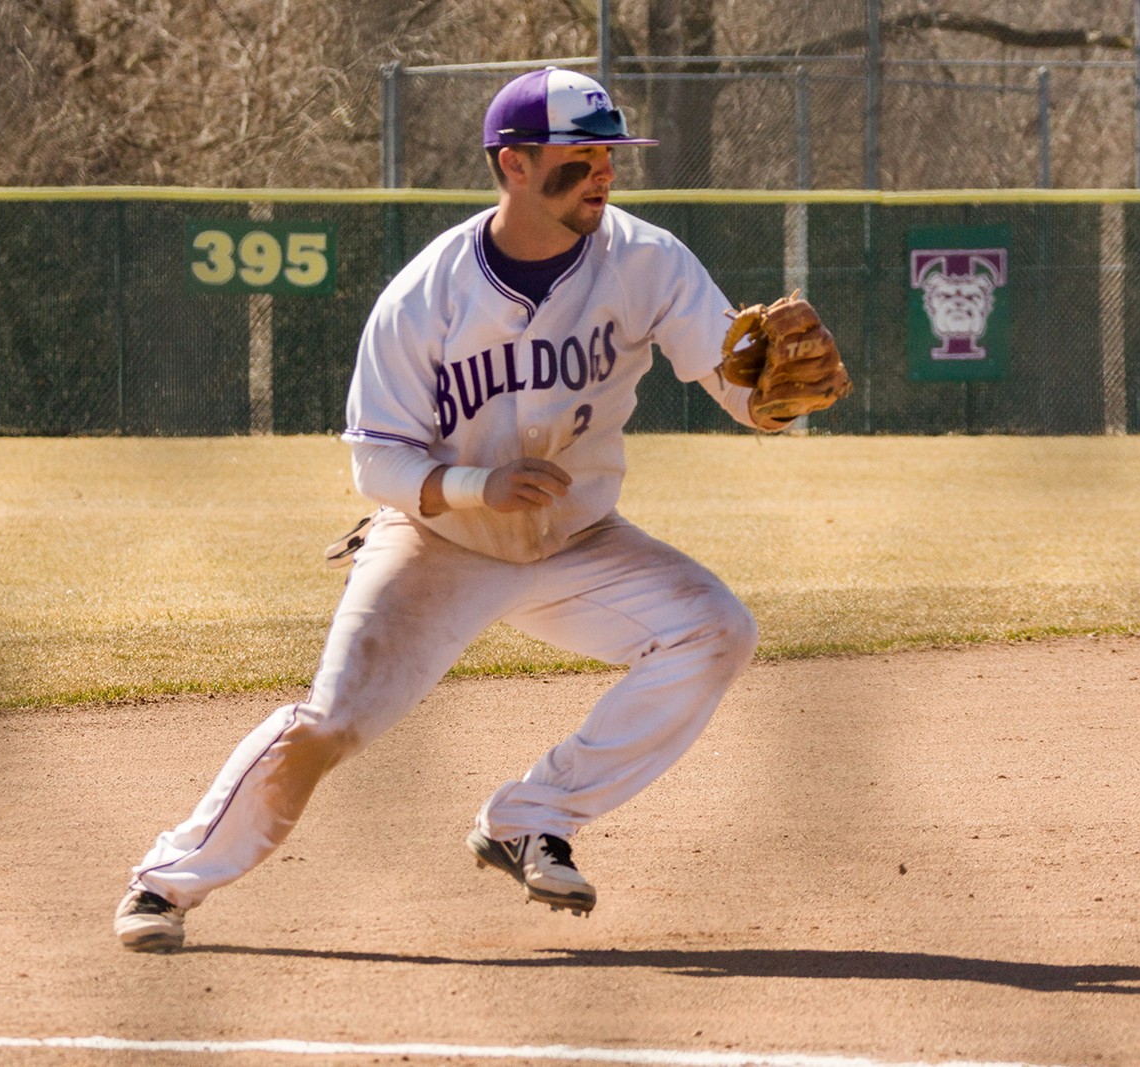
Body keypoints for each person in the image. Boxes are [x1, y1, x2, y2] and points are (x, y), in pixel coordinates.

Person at [113, 66, 804, 952]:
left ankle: (530, 817)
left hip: (578, 537)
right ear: (514, 164)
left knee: (716, 629)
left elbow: (738, 384)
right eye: (583, 155)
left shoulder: (648, 260)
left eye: (610, 156)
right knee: (331, 723)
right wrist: (479, 488)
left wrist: (777, 401)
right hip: (440, 539)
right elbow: (375, 458)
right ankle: (165, 880)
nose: (605, 172)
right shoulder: (427, 293)